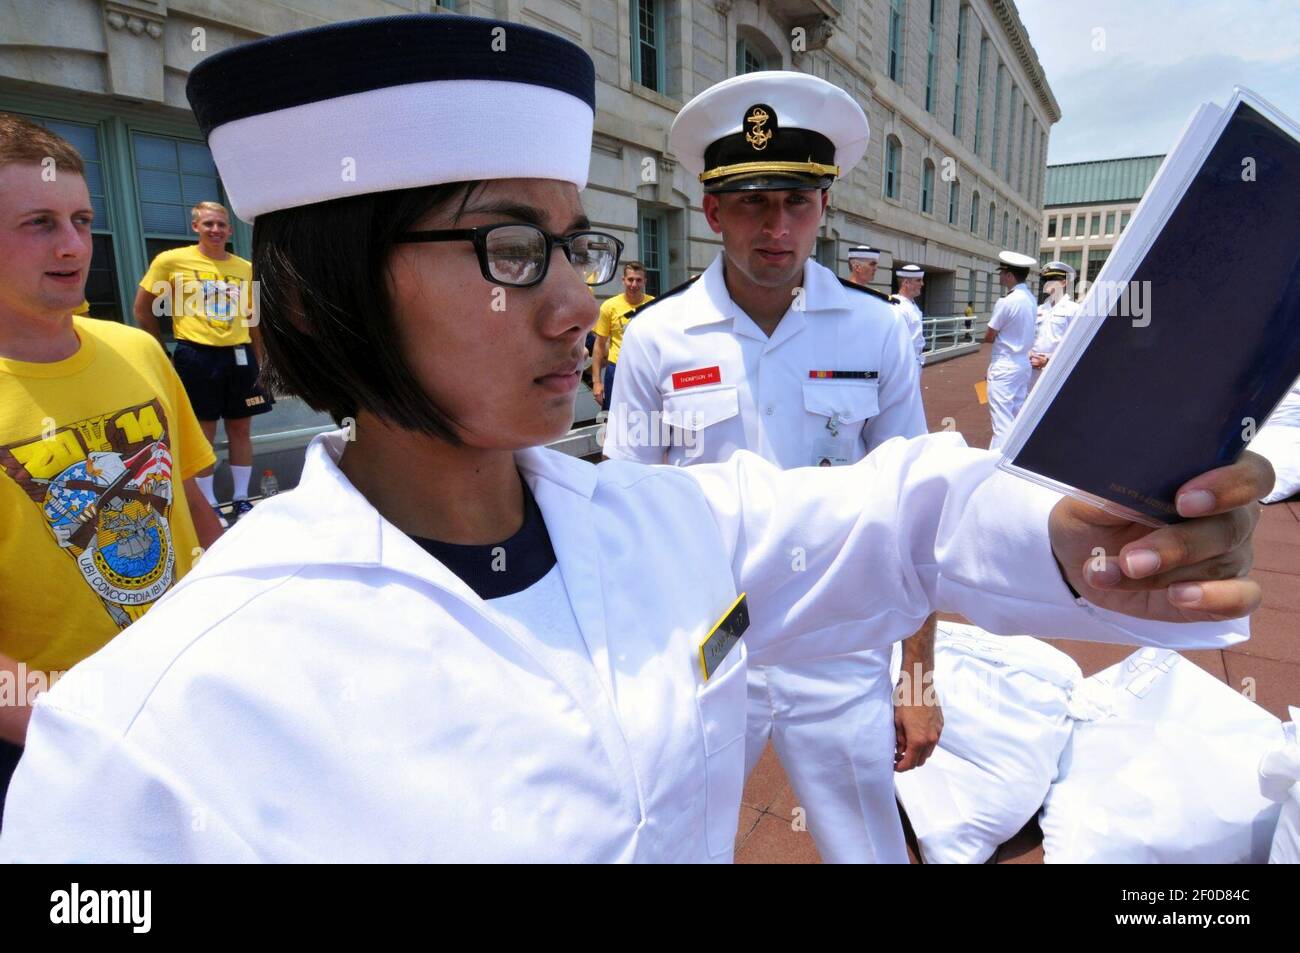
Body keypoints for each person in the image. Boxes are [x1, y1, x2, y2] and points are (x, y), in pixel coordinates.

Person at [0, 15, 1271, 864]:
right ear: (337, 280)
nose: (571, 301)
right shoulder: (146, 735)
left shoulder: (661, 529)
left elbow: (905, 510)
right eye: (508, 246)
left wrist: (1087, 530)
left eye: (575, 243)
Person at [604, 71, 939, 863]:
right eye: (753, 201)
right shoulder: (660, 337)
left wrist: (917, 679)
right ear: (714, 210)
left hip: (839, 633)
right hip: (714, 637)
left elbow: (917, 511)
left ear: (823, 207)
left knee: (868, 848)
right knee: (678, 839)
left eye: (796, 201)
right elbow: (623, 512)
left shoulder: (878, 331)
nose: (776, 226)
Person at [0, 114, 221, 823]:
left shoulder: (138, 350)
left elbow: (196, 513)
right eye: (39, 222)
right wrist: (86, 731)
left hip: (195, 699)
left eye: (82, 218)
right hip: (57, 750)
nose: (74, 244)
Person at [134, 201, 271, 524]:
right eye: (208, 224)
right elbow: (143, 308)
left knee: (240, 428)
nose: (215, 230)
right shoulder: (172, 261)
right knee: (202, 431)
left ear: (229, 229)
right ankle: (208, 503)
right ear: (195, 227)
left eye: (221, 224)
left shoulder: (244, 268)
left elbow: (255, 321)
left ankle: (241, 500)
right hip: (196, 355)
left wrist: (262, 363)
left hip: (239, 355)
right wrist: (161, 353)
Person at [985, 251, 1039, 450]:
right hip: (1022, 364)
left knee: (1001, 422)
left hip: (1005, 364)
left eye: (1002, 273)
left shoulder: (1006, 301)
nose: (1000, 276)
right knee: (1015, 416)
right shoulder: (1031, 299)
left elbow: (989, 336)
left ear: (1009, 275)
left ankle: (997, 467)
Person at [590, 261, 651, 412]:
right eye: (630, 279)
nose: (634, 284)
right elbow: (598, 346)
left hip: (646, 369)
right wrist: (596, 382)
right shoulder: (609, 306)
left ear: (645, 281)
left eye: (638, 280)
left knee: (648, 418)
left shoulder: (654, 304)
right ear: (623, 280)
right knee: (612, 420)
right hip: (616, 369)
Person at [1028, 260, 1079, 389]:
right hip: (1032, 369)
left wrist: (1048, 360)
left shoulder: (1074, 309)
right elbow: (1029, 337)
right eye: (1045, 279)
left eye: (1052, 279)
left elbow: (1074, 344)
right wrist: (1028, 352)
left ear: (1064, 282)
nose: (1047, 282)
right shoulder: (1039, 309)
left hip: (1056, 370)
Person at [894, 263, 926, 365]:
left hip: (915, 360)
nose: (922, 284)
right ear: (906, 282)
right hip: (904, 362)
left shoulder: (911, 304)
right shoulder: (897, 306)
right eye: (918, 280)